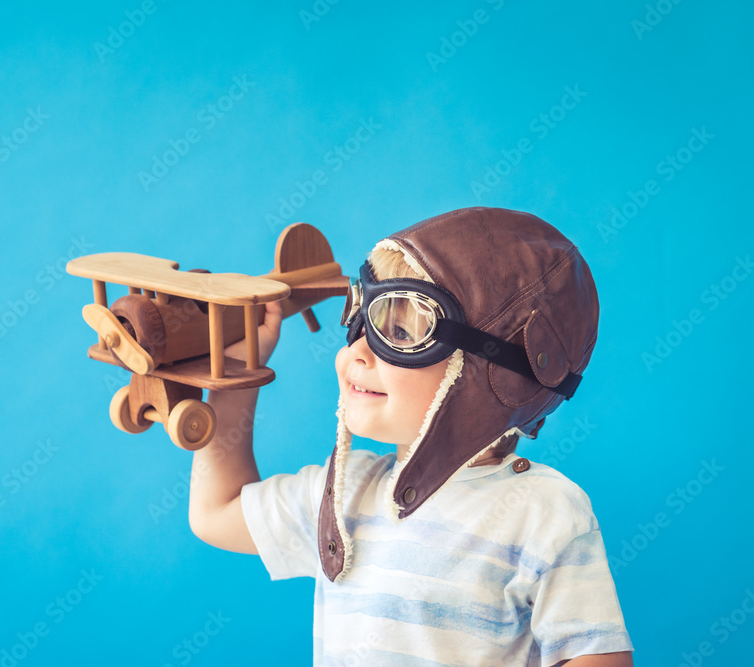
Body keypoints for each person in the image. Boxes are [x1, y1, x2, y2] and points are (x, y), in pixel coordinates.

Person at [188, 207, 634, 666]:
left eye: (399, 332)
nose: (358, 351)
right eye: (360, 317)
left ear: (496, 374)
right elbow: (214, 512)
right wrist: (235, 371)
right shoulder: (342, 496)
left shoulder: (543, 513)